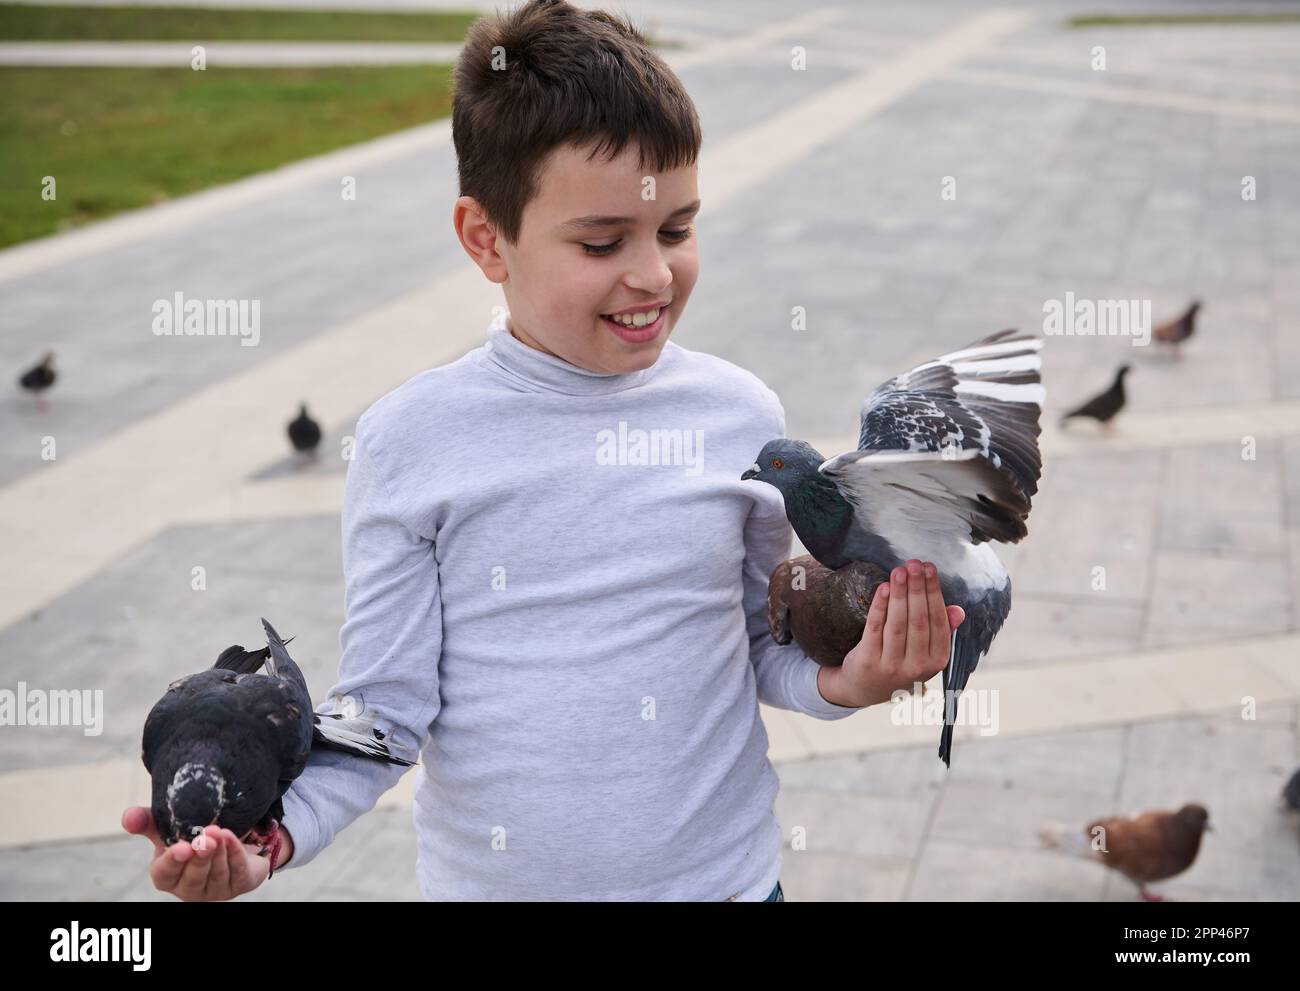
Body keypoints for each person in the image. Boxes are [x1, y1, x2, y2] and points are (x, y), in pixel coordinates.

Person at [125, 0, 963, 902]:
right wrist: (270, 838)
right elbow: (387, 710)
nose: (653, 273)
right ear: (488, 238)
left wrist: (850, 678)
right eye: (603, 241)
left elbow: (762, 647)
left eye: (677, 229)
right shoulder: (413, 440)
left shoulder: (739, 417)